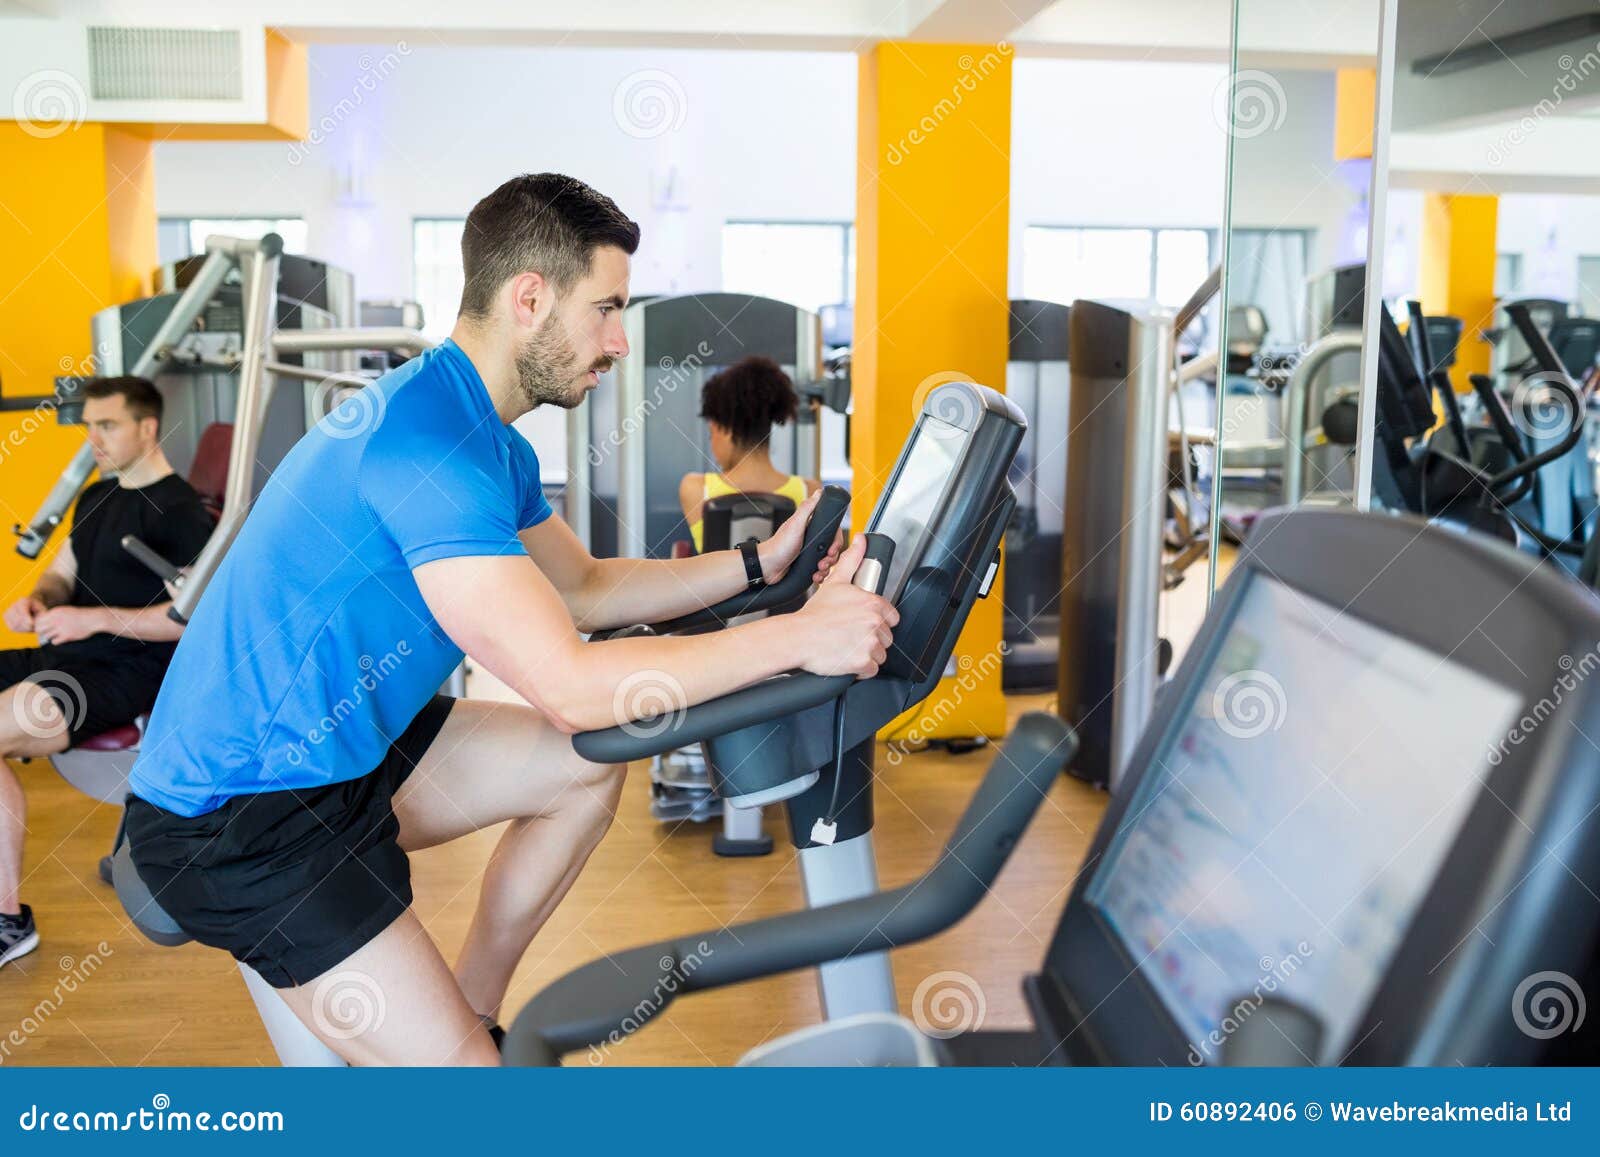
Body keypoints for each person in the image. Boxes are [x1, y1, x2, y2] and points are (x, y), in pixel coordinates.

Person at [123, 173, 897, 1066]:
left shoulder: (484, 436)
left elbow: (586, 589)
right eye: (607, 309)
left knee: (584, 766)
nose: (618, 340)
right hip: (240, 813)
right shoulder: (427, 444)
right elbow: (570, 686)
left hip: (352, 749)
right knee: (475, 1091)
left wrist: (763, 564)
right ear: (529, 298)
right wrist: (801, 636)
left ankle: (471, 1009)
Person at [0, 376, 215, 969]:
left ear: (148, 428)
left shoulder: (182, 512)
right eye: (89, 425)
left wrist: (90, 619)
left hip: (125, 670)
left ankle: (8, 920)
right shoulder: (96, 496)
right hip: (66, 653)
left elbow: (193, 621)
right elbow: (60, 573)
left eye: (108, 425)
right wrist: (38, 602)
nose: (93, 438)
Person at [679, 355, 820, 552]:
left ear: (725, 430)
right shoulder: (810, 492)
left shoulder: (695, 489)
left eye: (712, 434)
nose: (712, 444)